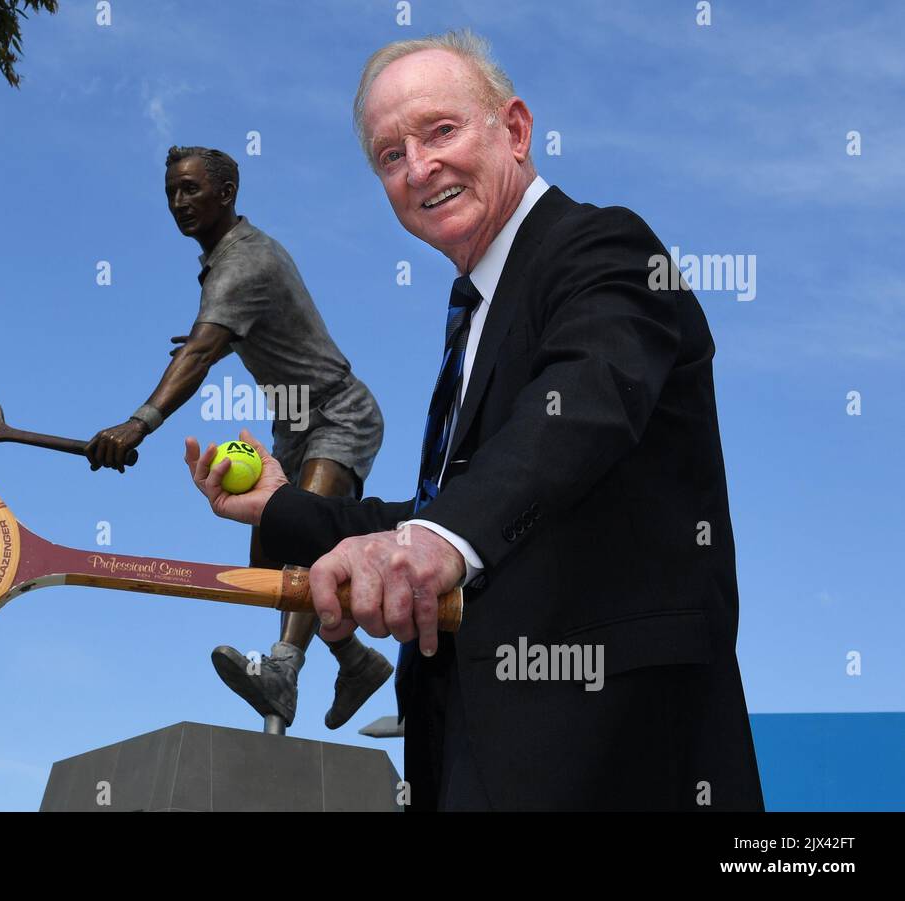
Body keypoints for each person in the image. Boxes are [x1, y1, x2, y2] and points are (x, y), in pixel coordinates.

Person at [185, 30, 765, 811]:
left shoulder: (603, 247)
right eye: (390, 156)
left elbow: (585, 406)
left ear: (516, 130)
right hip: (468, 758)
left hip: (613, 761)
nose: (419, 167)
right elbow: (447, 509)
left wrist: (435, 539)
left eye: (440, 130)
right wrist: (282, 505)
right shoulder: (471, 321)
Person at [86, 146, 392, 731]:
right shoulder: (226, 261)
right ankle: (356, 662)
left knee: (304, 544)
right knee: (271, 563)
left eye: (191, 190)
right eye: (171, 191)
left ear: (226, 193)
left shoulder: (242, 263)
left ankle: (282, 672)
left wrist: (138, 424)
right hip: (294, 424)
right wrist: (219, 340)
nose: (179, 203)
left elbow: (200, 353)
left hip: (340, 413)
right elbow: (221, 339)